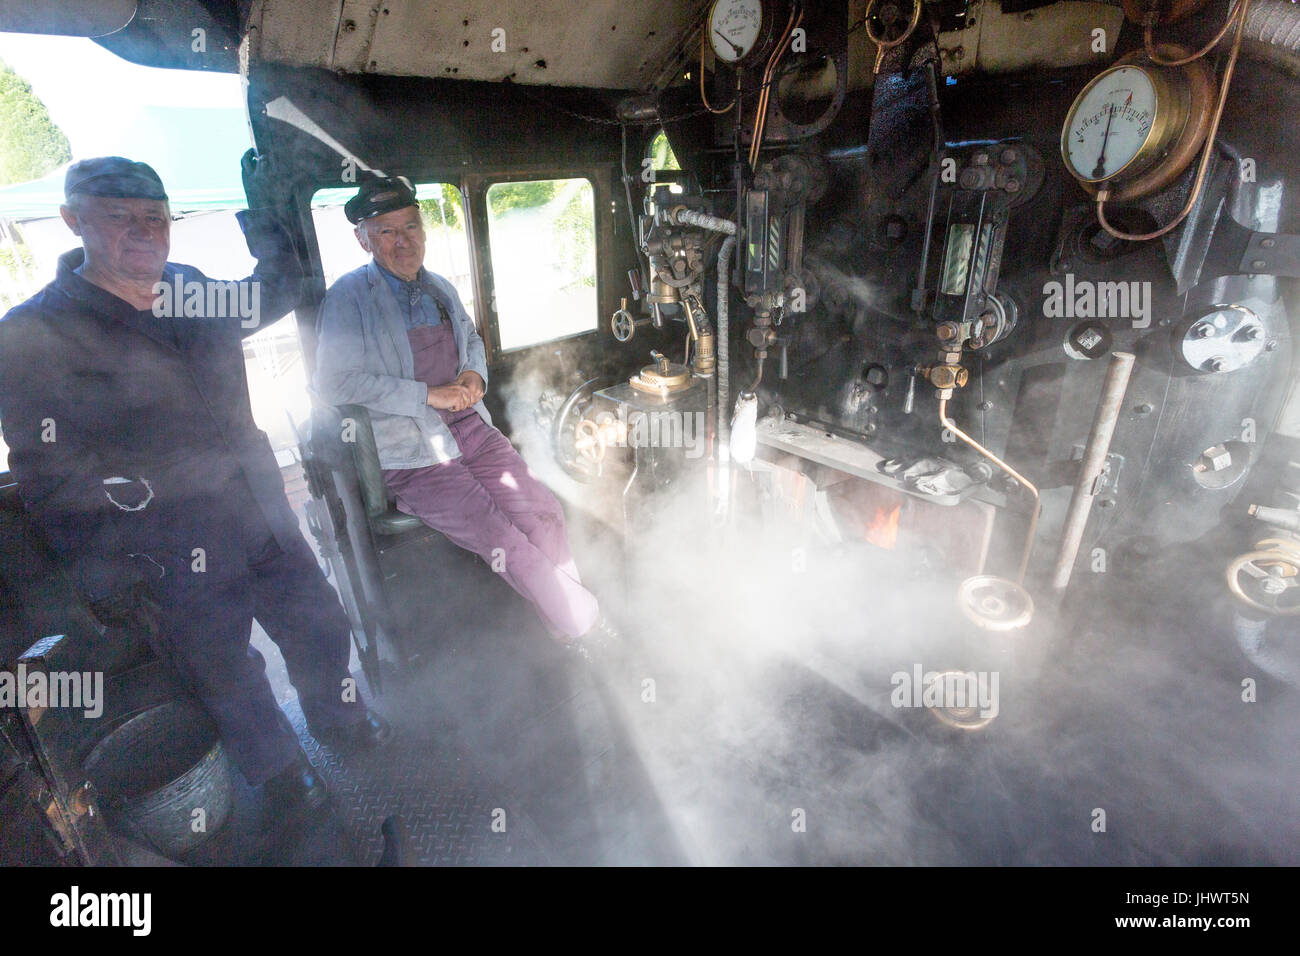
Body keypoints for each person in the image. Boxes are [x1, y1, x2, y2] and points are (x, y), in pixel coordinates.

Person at [0, 156, 391, 820]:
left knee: (319, 624)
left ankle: (336, 721)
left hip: (261, 511)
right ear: (73, 221)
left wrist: (263, 204)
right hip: (167, 544)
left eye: (155, 216)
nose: (143, 230)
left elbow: (277, 290)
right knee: (226, 670)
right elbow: (46, 474)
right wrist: (110, 575)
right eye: (119, 216)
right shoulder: (30, 334)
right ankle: (282, 774)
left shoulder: (190, 288)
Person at [314, 176, 615, 652]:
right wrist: (426, 395)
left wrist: (474, 374)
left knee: (545, 514)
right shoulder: (348, 299)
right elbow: (333, 382)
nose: (404, 241)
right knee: (503, 538)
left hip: (470, 430)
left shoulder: (437, 288)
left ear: (424, 229)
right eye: (387, 232)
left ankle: (564, 624)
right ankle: (588, 629)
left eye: (410, 227)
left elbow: (471, 339)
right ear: (363, 238)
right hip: (412, 453)